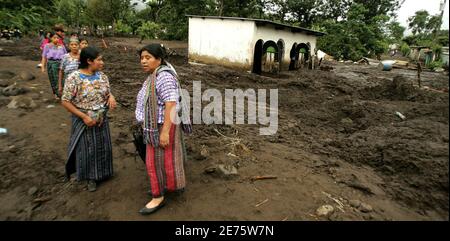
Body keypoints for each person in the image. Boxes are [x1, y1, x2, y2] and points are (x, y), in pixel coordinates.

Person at [135, 43, 188, 215]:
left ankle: (158, 196)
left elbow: (171, 104)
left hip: (161, 127)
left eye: (148, 57)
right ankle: (167, 186)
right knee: (166, 158)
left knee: (154, 162)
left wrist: (164, 132)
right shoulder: (154, 74)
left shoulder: (163, 76)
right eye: (142, 58)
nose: (143, 61)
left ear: (159, 59)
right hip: (155, 126)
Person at [61, 46, 117, 192]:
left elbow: (108, 92)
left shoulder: (102, 76)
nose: (102, 62)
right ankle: (90, 177)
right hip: (84, 121)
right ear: (89, 61)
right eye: (99, 60)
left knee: (103, 147)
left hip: (101, 120)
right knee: (87, 149)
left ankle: (104, 173)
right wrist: (84, 116)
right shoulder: (74, 78)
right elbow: (65, 101)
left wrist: (111, 97)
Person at [40, 32, 67, 99]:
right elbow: (44, 56)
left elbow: (66, 56)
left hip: (61, 63)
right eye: (54, 37)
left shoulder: (62, 46)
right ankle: (56, 93)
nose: (56, 39)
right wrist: (43, 67)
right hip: (51, 64)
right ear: (51, 38)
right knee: (53, 79)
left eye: (58, 38)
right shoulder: (47, 46)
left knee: (62, 79)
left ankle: (62, 92)